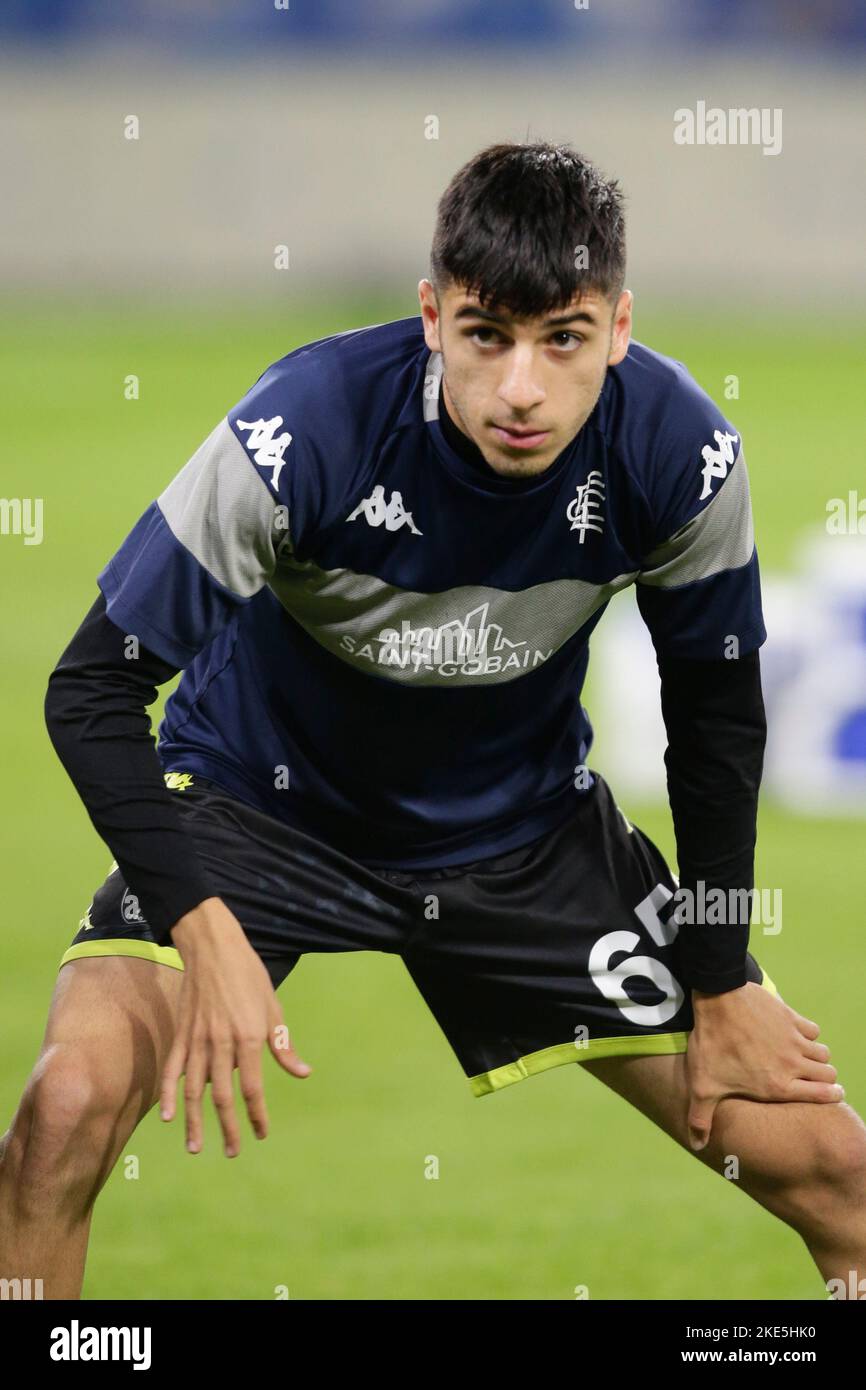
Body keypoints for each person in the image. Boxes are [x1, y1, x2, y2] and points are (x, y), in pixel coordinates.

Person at [2, 141, 864, 1300]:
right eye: (484, 335)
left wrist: (717, 976)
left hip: (522, 836)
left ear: (616, 327)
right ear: (429, 317)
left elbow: (713, 718)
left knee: (835, 1177)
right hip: (257, 813)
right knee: (63, 1113)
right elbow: (91, 688)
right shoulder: (298, 433)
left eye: (561, 338)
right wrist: (202, 927)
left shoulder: (681, 453)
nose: (520, 387)